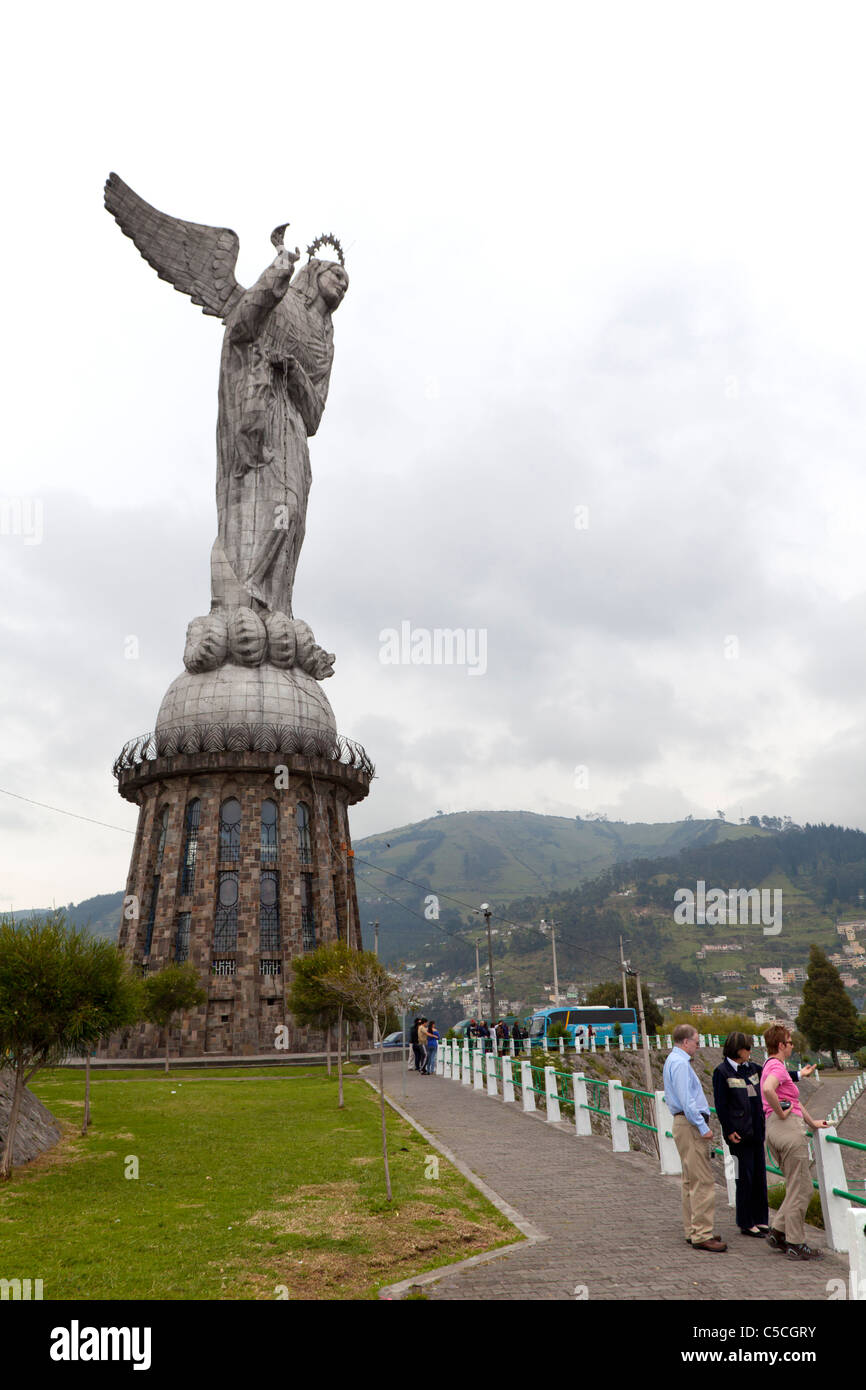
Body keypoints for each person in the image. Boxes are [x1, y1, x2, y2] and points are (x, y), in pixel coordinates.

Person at [761, 1023, 829, 1260]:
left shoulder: (768, 1066)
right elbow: (769, 1090)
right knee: (803, 1188)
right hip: (787, 1130)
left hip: (773, 1130)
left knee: (795, 1185)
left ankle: (778, 1231)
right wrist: (781, 1112)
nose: (791, 1046)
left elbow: (794, 1102)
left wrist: (812, 1123)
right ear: (780, 1045)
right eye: (790, 1042)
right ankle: (796, 1243)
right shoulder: (777, 1068)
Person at [663, 1024, 726, 1252]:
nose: (698, 1046)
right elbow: (687, 1100)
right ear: (686, 1042)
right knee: (703, 1181)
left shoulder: (673, 1059)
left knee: (690, 1180)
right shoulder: (680, 1063)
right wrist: (702, 1127)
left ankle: (693, 1229)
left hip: (682, 1124)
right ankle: (702, 1233)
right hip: (690, 1125)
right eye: (697, 1042)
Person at [712, 1033, 770, 1237]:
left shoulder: (752, 1068)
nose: (750, 1052)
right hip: (738, 1135)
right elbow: (721, 1105)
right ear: (738, 1050)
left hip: (756, 1131)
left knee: (759, 1177)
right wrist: (729, 1130)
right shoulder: (722, 1072)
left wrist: (798, 1075)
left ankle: (761, 1219)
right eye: (747, 1048)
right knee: (743, 1178)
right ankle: (746, 1223)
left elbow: (773, 1076)